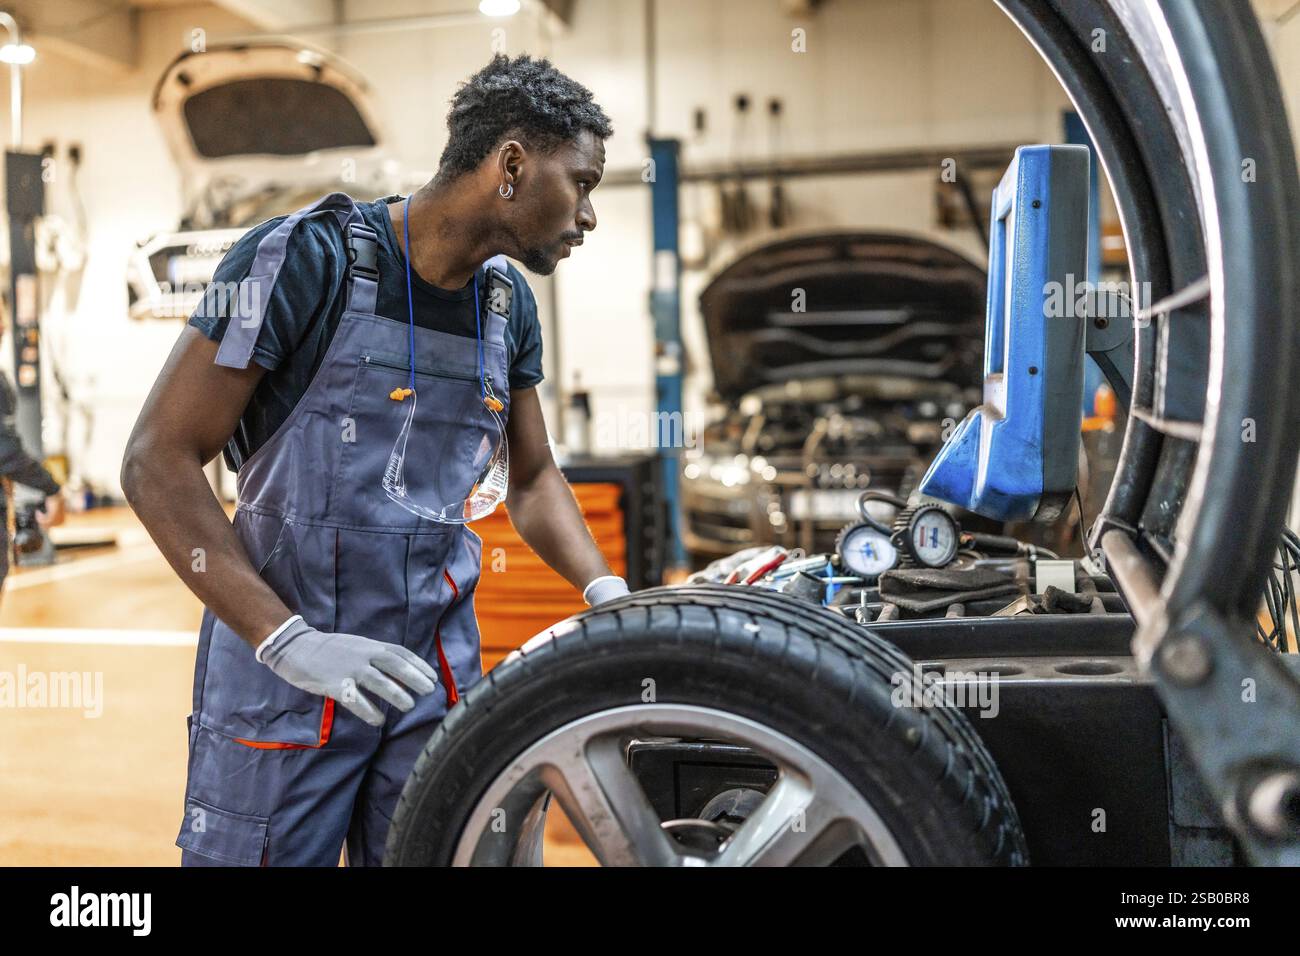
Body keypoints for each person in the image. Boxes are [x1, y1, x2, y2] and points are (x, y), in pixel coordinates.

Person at [122, 54, 628, 866]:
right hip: (285, 682)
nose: (590, 215)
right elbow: (156, 460)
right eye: (583, 182)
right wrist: (285, 639)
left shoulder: (506, 307)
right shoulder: (293, 261)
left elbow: (532, 480)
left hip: (434, 681)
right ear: (510, 165)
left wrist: (606, 591)